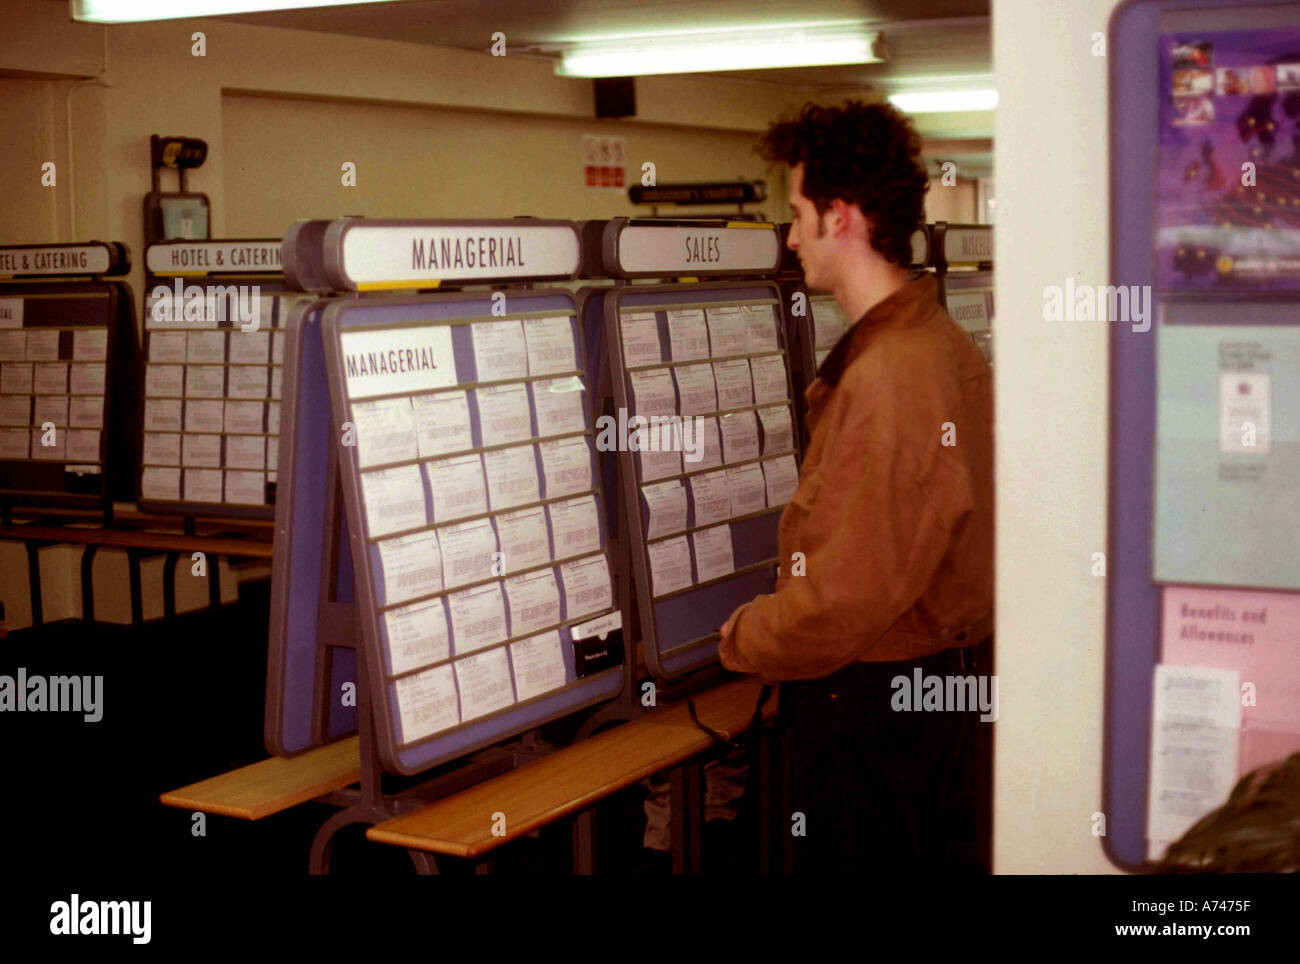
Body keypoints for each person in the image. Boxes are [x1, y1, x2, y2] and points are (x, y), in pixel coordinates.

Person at [718, 100, 994, 873]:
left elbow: (845, 597)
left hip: (869, 701)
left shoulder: (887, 376)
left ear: (841, 217)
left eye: (798, 212)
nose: (791, 234)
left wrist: (744, 637)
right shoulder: (934, 343)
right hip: (933, 689)